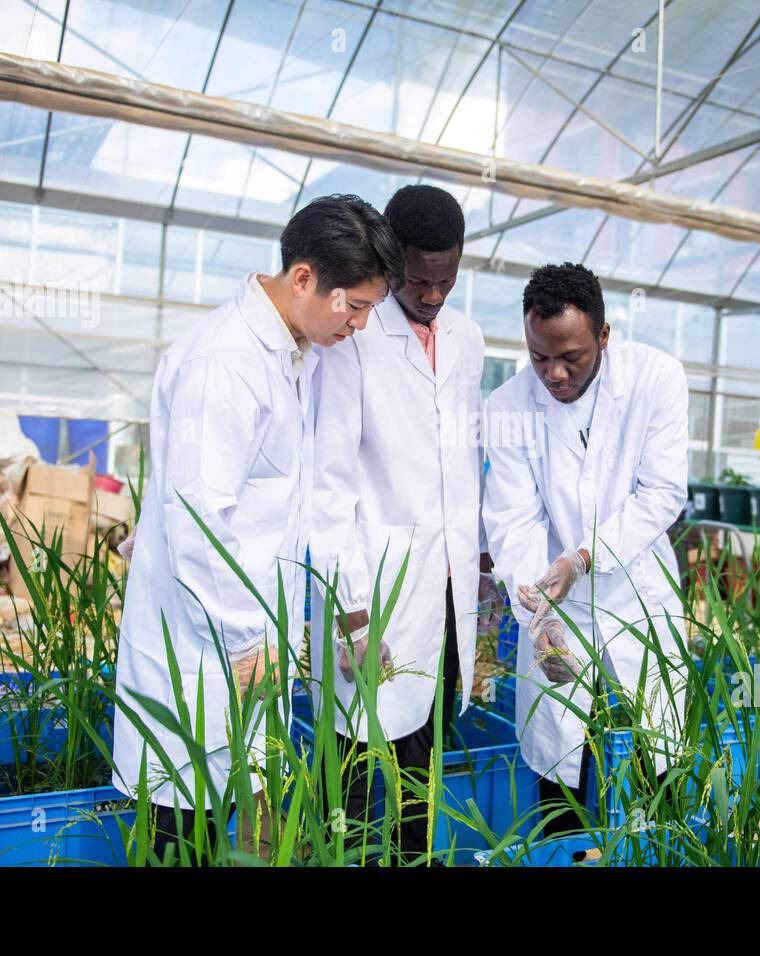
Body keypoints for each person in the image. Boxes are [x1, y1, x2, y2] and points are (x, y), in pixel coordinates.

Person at [111, 194, 405, 861]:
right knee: (178, 833)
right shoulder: (224, 364)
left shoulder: (294, 356)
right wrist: (247, 642)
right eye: (354, 306)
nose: (359, 325)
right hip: (199, 654)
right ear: (304, 278)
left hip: (244, 652)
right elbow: (197, 523)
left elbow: (295, 508)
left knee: (230, 829)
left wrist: (344, 618)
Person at [310, 184, 494, 859]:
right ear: (392, 260)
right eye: (418, 279)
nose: (433, 294)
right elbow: (328, 488)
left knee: (425, 757)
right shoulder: (354, 337)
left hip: (446, 590)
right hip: (374, 588)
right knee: (357, 760)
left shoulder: (468, 341)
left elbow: (462, 462)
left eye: (446, 279)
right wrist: (352, 612)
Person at [481, 261, 689, 834]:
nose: (553, 373)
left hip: (639, 596)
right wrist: (540, 613)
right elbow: (512, 518)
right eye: (538, 356)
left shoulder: (656, 379)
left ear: (603, 335)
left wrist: (584, 558)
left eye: (570, 357)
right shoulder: (506, 406)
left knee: (653, 762)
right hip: (557, 606)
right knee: (560, 765)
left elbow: (662, 493)